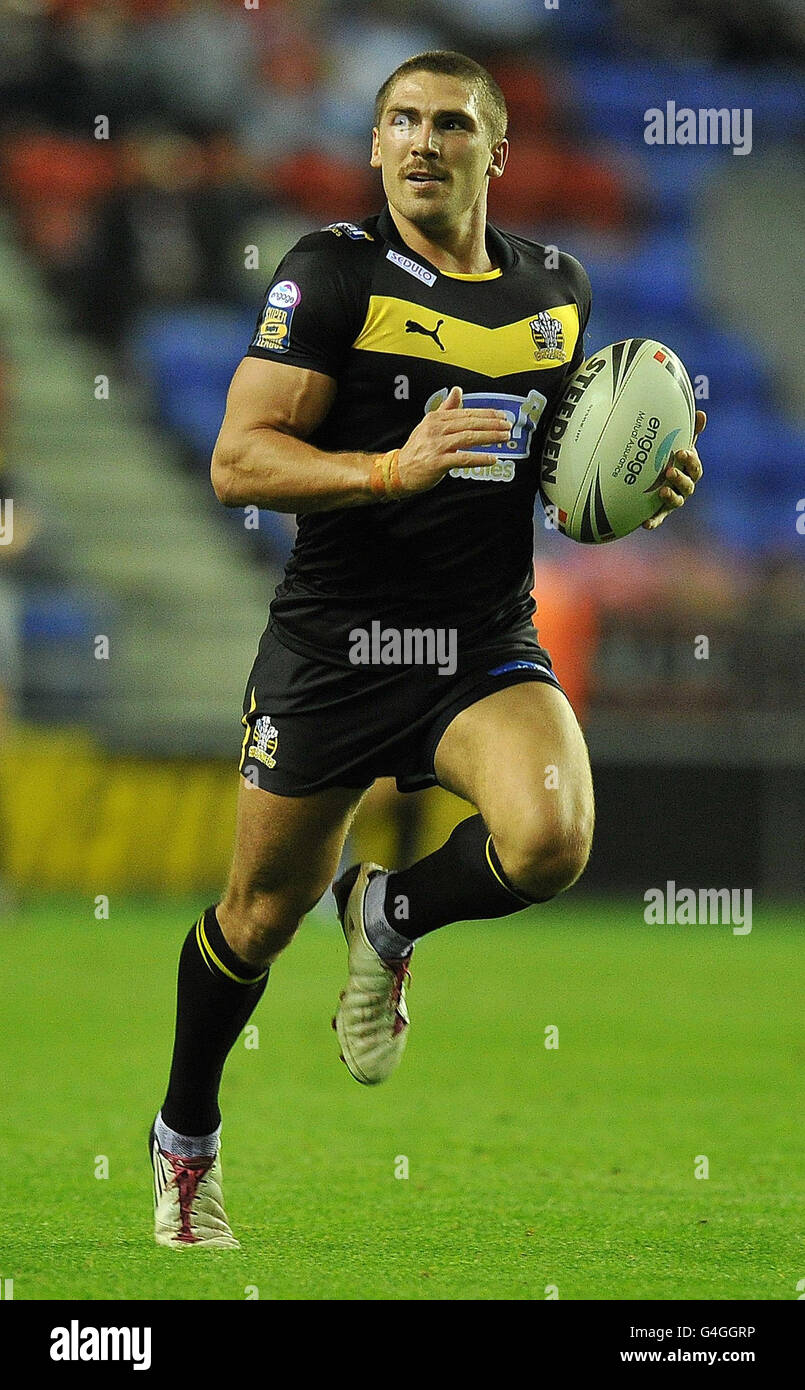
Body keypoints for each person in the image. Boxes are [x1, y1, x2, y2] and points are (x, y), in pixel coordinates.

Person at [150, 50, 704, 1248]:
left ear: (495, 154)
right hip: (333, 650)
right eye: (398, 120)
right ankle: (185, 1139)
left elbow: (555, 477)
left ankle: (392, 910)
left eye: (450, 123)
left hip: (478, 642)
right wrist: (388, 468)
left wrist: (631, 491)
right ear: (371, 146)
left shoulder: (557, 290)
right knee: (257, 915)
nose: (420, 141)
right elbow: (238, 459)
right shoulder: (329, 274)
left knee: (551, 839)